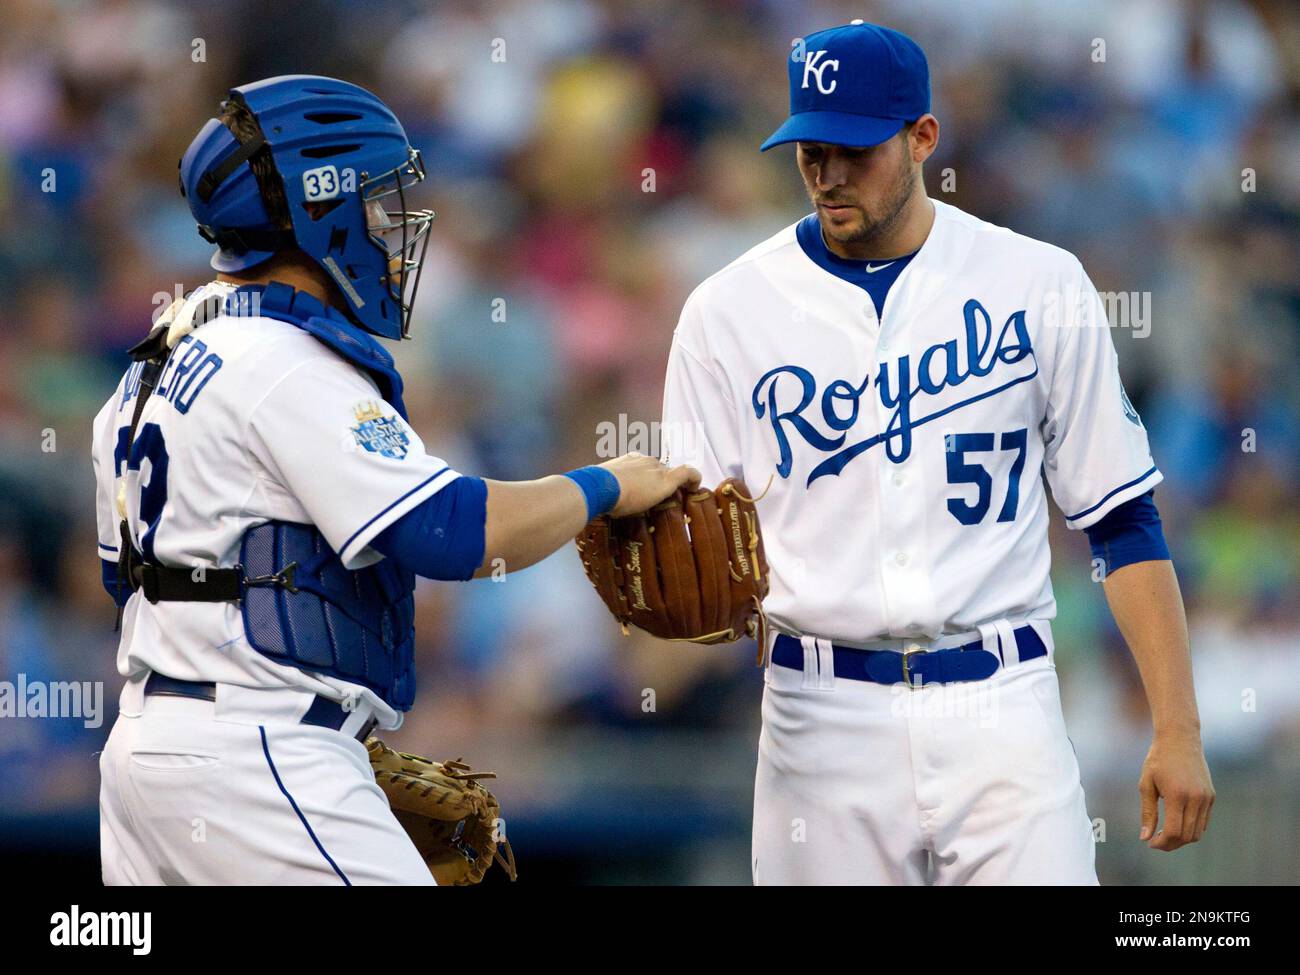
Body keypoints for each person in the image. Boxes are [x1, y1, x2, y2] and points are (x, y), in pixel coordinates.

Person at [92, 74, 697, 885]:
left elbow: (121, 575)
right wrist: (607, 485)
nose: (397, 226)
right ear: (320, 210)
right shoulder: (282, 357)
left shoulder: (147, 368)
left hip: (146, 752)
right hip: (257, 752)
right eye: (378, 203)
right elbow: (453, 532)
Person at [659, 23, 1213, 884]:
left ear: (923, 137)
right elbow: (693, 539)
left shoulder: (1036, 282)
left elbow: (1122, 520)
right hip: (818, 716)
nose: (829, 173)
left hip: (1003, 708)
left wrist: (1177, 726)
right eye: (811, 149)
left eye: (855, 148)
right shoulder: (724, 312)